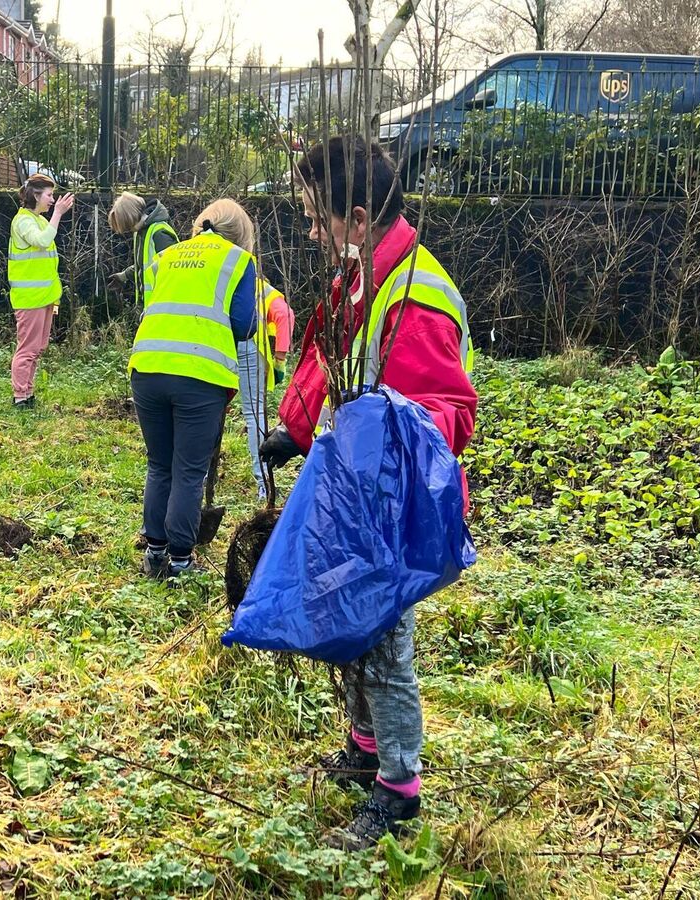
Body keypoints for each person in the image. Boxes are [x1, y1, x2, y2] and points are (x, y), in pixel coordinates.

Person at [258, 136, 476, 851]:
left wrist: (376, 443)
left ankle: (399, 789)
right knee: (350, 625)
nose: (312, 233)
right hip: (354, 493)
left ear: (357, 217)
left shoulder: (417, 295)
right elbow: (332, 359)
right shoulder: (362, 277)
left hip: (392, 508)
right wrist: (297, 428)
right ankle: (363, 748)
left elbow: (447, 410)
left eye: (319, 219)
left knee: (384, 646)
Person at [128, 198, 258, 580]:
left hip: (147, 365)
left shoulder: (168, 255)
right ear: (241, 235)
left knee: (159, 464)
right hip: (199, 375)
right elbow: (245, 324)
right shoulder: (237, 260)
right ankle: (182, 561)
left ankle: (154, 555)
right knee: (189, 471)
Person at [7, 173, 74, 409]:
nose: (52, 200)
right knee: (27, 349)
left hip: (46, 298)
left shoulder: (39, 220)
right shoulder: (23, 221)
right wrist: (58, 215)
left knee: (38, 348)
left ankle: (28, 392)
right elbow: (42, 241)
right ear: (35, 195)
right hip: (30, 300)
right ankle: (20, 396)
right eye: (49, 195)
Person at [236, 275, 295, 498]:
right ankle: (263, 483)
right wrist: (280, 359)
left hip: (213, 347)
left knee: (207, 410)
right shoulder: (257, 284)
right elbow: (285, 315)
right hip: (249, 349)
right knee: (254, 413)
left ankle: (200, 477)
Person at [107, 191, 179, 304]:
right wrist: (123, 276)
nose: (127, 230)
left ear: (130, 218)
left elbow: (174, 270)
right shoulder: (141, 232)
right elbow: (144, 266)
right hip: (150, 305)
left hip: (162, 305)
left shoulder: (159, 234)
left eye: (126, 226)